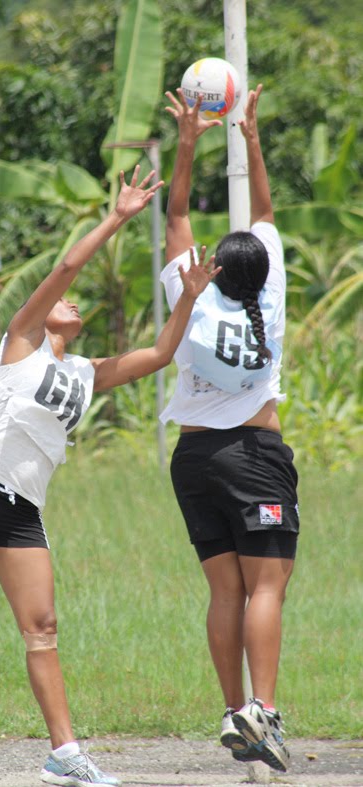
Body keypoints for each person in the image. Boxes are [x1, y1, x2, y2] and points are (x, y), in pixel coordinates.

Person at [0, 165, 220, 787]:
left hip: (20, 507)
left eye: (71, 305)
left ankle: (64, 755)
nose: (71, 301)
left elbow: (162, 355)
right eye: (63, 303)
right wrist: (117, 217)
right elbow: (64, 271)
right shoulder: (22, 342)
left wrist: (191, 296)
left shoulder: (88, 372)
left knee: (43, 629)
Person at [161, 86, 299, 773]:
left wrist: (189, 138)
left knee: (225, 590)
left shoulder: (188, 296)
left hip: (192, 458)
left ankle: (231, 709)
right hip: (254, 453)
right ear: (263, 272)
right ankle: (262, 708)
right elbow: (266, 212)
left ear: (211, 269)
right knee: (266, 586)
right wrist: (248, 136)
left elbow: (178, 211)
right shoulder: (268, 299)